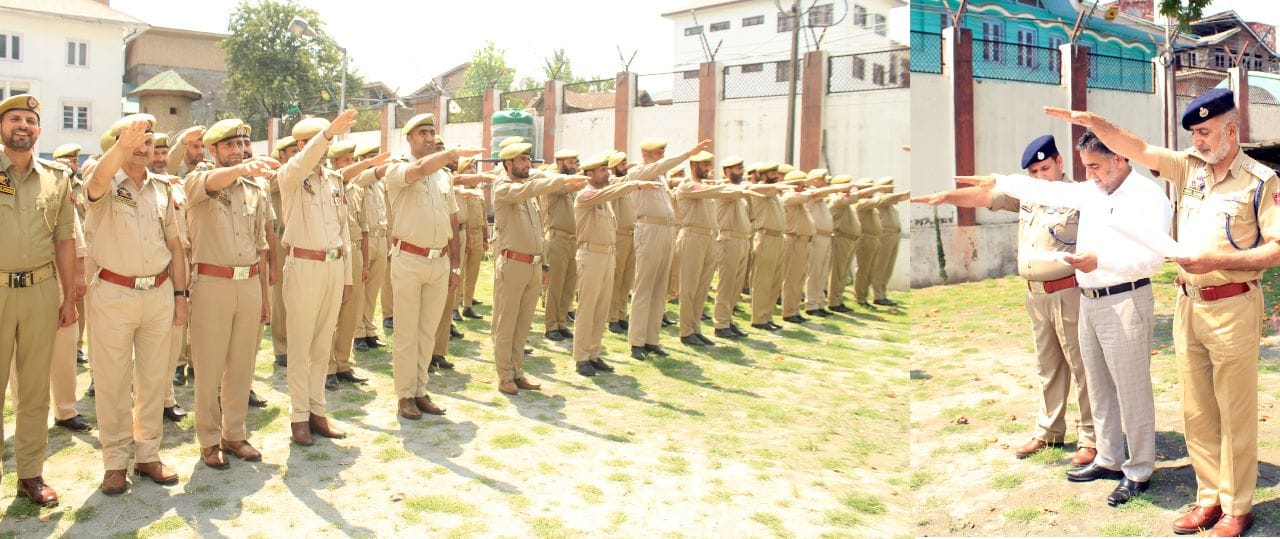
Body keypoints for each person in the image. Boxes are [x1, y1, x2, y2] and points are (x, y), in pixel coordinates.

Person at [1047, 90, 1277, 536]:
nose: (1198, 140)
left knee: (1235, 410)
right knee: (1196, 410)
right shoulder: (1189, 167)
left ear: (1231, 130)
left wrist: (1219, 262)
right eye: (1193, 132)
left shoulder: (1260, 181)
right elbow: (1137, 148)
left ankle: (1238, 505)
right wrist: (1096, 121)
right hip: (1188, 305)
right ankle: (1208, 498)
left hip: (1233, 303)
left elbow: (1276, 248)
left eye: (1205, 132)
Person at [956, 129, 1171, 508]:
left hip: (1125, 297)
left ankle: (1138, 470)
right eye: (1085, 166)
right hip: (1090, 297)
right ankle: (1108, 457)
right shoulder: (1093, 190)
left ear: (1120, 158)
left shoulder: (1146, 195)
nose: (1088, 174)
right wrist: (998, 182)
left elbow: (1155, 257)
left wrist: (1101, 262)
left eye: (1095, 166)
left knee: (1131, 389)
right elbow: (1047, 192)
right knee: (1100, 386)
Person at [912, 135, 1096, 466]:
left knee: (1081, 365)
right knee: (1047, 366)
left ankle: (1091, 437)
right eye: (1035, 172)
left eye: (1046, 168)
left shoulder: (1078, 197)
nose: (1041, 177)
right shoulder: (1027, 198)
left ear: (1060, 163)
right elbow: (987, 197)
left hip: (1068, 292)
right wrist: (946, 197)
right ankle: (1049, 431)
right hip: (1035, 296)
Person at [85, 114, 190, 494]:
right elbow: (97, 182)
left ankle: (148, 455)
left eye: (148, 142)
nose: (145, 149)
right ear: (118, 145)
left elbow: (176, 246)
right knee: (112, 381)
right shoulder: (102, 182)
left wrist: (181, 296)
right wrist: (120, 147)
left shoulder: (162, 187)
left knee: (153, 379)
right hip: (114, 295)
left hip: (159, 294)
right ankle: (115, 461)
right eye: (136, 142)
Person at [365, 113, 474, 417]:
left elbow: (452, 219)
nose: (429, 137)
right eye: (423, 133)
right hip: (409, 259)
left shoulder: (443, 176)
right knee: (406, 332)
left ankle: (421, 390)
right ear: (409, 138)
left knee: (427, 331)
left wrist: (454, 264)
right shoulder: (398, 167)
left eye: (432, 132)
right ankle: (404, 396)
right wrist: (449, 155)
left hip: (438, 261)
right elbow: (417, 170)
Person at [0, 94, 78, 506]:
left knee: (34, 391)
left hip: (41, 291)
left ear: (39, 130)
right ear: (2, 126)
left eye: (30, 120)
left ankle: (30, 474)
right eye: (15, 118)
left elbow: (64, 240)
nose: (23, 126)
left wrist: (68, 297)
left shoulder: (56, 177)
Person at [183, 118, 273, 468]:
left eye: (241, 145)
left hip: (248, 282)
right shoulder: (198, 179)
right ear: (213, 150)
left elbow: (261, 245)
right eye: (229, 146)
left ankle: (234, 434)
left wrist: (264, 296)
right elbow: (209, 182)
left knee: (242, 365)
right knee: (208, 366)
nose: (237, 151)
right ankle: (208, 439)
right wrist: (242, 170)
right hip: (212, 284)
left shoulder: (254, 188)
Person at [275, 111, 357, 446]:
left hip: (333, 266)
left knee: (322, 344)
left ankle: (317, 410)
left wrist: (348, 276)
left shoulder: (334, 181)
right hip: (304, 266)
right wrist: (323, 135)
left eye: (328, 142)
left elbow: (344, 231)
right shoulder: (291, 175)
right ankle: (298, 417)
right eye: (316, 142)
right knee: (300, 345)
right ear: (299, 145)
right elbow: (304, 160)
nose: (323, 149)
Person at [491, 142, 588, 394]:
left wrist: (543, 265)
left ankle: (518, 372)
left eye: (528, 160)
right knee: (507, 323)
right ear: (508, 164)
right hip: (512, 264)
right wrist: (562, 182)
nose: (527, 164)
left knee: (523, 324)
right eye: (522, 160)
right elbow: (534, 184)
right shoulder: (503, 188)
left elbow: (538, 231)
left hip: (532, 265)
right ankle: (504, 376)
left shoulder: (528, 190)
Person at [625, 138, 714, 360]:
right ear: (646, 155)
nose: (662, 156)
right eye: (658, 153)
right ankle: (637, 341)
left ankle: (651, 339)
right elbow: (660, 167)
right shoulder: (638, 172)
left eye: (663, 152)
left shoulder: (660, 178)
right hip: (649, 229)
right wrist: (687, 153)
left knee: (659, 288)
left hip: (666, 231)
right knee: (644, 286)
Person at [571, 155, 651, 375]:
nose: (606, 173)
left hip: (607, 256)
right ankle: (581, 357)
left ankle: (594, 353)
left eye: (607, 170)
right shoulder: (586, 194)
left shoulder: (604, 198)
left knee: (601, 307)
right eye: (601, 170)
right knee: (587, 308)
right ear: (589, 174)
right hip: (590, 255)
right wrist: (634, 184)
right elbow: (607, 192)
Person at [673, 151, 750, 346]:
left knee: (702, 287)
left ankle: (695, 328)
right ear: (694, 165)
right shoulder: (689, 185)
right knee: (689, 287)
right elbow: (715, 191)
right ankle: (686, 330)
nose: (708, 168)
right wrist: (739, 188)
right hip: (692, 237)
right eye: (704, 165)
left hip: (708, 237)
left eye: (709, 164)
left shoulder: (704, 186)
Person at [324, 141, 370, 390]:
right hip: (334, 251)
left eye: (353, 159)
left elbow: (363, 228)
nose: (351, 164)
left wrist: (364, 261)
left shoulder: (358, 189)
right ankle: (328, 366)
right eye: (346, 161)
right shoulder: (329, 186)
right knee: (332, 313)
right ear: (334, 164)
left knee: (351, 312)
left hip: (354, 250)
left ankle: (343, 363)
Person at [350, 144, 392, 350]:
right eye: (371, 157)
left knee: (372, 290)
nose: (377, 160)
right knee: (360, 289)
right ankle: (358, 333)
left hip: (381, 239)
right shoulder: (360, 179)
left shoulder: (379, 184)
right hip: (365, 240)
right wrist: (379, 165)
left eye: (378, 157)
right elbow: (370, 173)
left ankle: (369, 329)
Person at [541, 149, 581, 341]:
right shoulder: (553, 181)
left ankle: (562, 322)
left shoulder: (572, 184)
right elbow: (564, 187)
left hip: (573, 240)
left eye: (575, 162)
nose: (573, 166)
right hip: (557, 238)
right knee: (556, 285)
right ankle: (551, 325)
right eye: (570, 162)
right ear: (559, 163)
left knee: (569, 285)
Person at [269, 136, 299, 367]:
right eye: (292, 151)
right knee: (279, 296)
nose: (297, 154)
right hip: (280, 240)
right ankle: (282, 347)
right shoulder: (276, 174)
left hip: (301, 241)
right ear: (281, 155)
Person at [748, 163, 786, 330]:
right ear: (762, 175)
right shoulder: (758, 188)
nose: (775, 175)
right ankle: (758, 318)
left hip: (778, 238)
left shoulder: (774, 192)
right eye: (771, 173)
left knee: (774, 281)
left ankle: (768, 316)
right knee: (763, 280)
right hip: (765, 237)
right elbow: (762, 189)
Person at [607, 151, 637, 334]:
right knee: (616, 279)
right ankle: (611, 318)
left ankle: (621, 314)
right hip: (618, 236)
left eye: (626, 162)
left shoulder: (628, 184)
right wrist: (633, 175)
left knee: (627, 279)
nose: (625, 165)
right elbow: (618, 184)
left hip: (632, 235)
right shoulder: (613, 182)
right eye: (622, 163)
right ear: (613, 167)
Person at [870, 177, 909, 306]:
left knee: (888, 266)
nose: (892, 188)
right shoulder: (881, 200)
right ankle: (878, 295)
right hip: (885, 235)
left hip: (894, 235)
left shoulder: (892, 204)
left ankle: (883, 293)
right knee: (881, 265)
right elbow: (892, 198)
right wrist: (906, 194)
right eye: (889, 186)